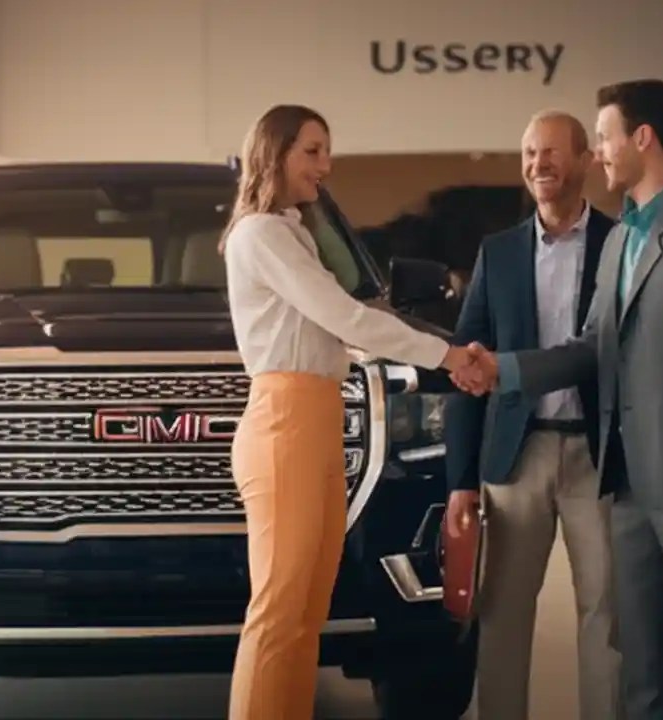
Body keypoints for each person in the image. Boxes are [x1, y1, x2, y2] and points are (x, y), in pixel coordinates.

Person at [453, 79, 663, 720]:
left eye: (602, 138)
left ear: (642, 139)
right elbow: (590, 347)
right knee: (643, 664)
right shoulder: (623, 240)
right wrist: (502, 371)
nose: (599, 153)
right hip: (625, 487)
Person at [220, 104, 476, 720]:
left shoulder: (293, 233)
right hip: (285, 424)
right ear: (274, 152)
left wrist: (432, 350)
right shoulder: (260, 234)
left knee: (306, 612)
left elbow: (344, 333)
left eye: (325, 151)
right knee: (280, 613)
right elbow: (346, 317)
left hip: (316, 419)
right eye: (312, 151)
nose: (325, 166)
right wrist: (450, 355)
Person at [443, 109, 622, 719]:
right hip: (516, 458)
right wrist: (462, 479)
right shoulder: (499, 253)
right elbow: (466, 368)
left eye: (550, 152)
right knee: (503, 617)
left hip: (601, 458)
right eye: (527, 153)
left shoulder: (619, 243)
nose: (537, 164)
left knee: (606, 617)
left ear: (585, 160)